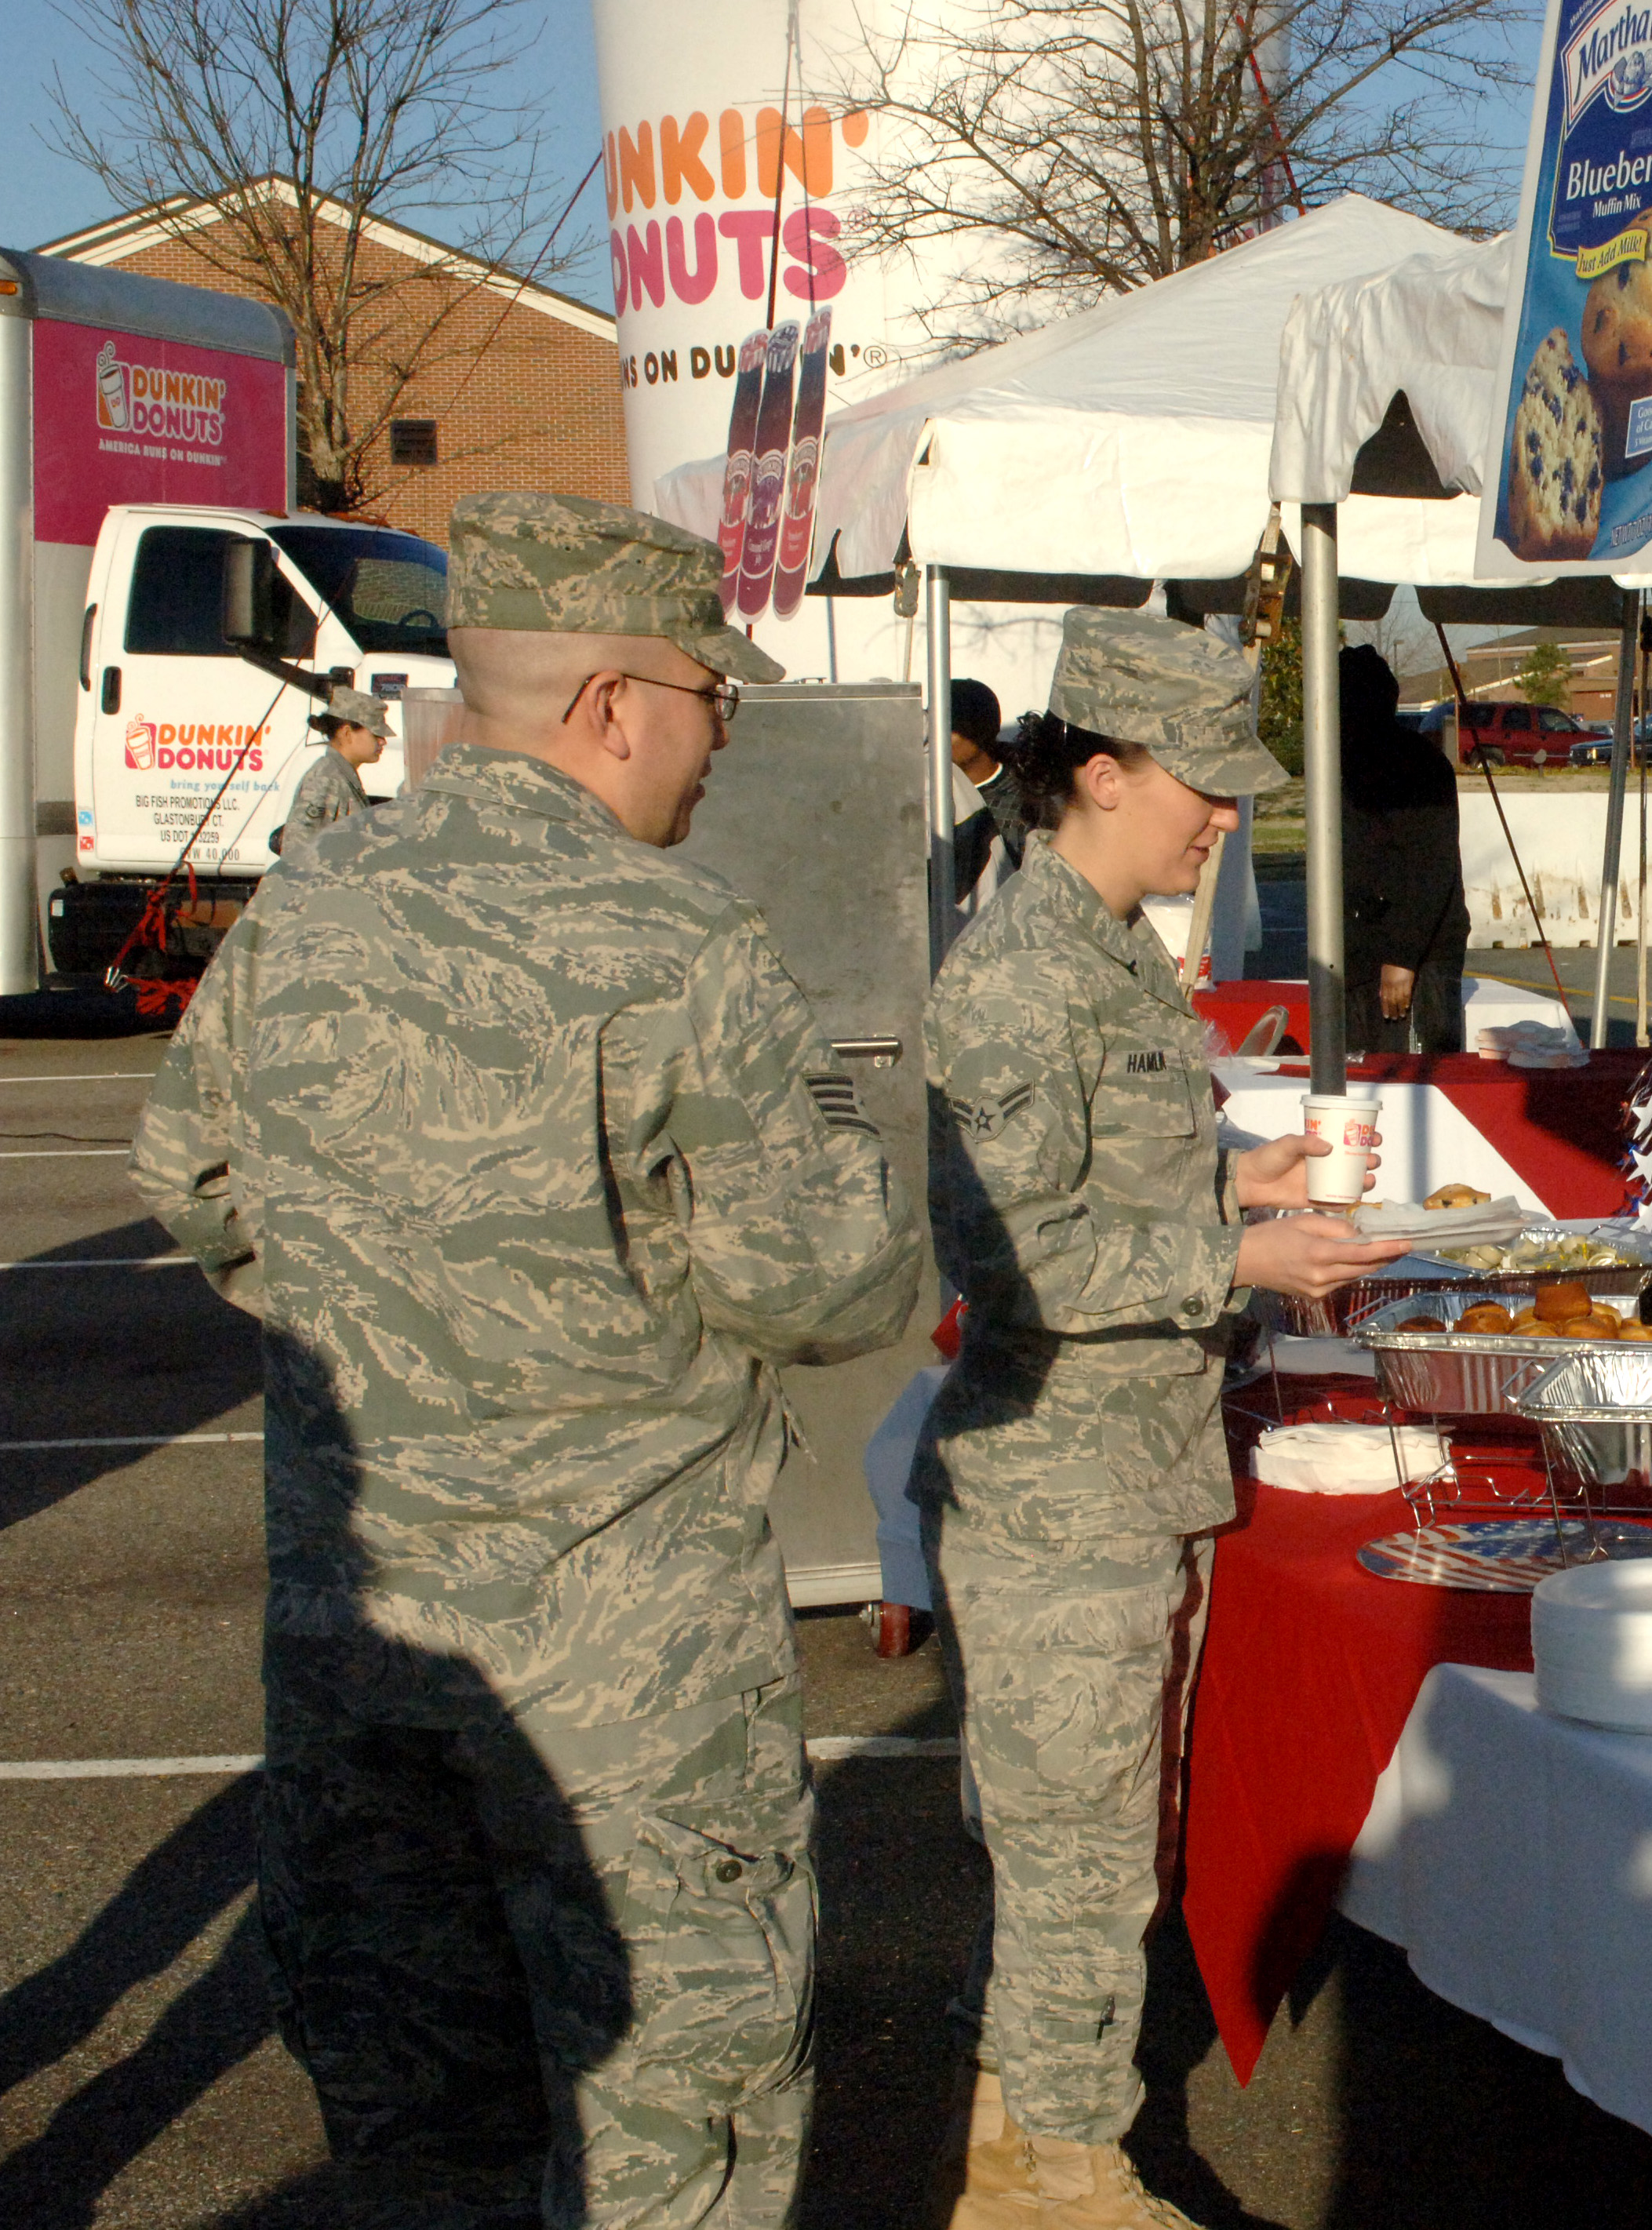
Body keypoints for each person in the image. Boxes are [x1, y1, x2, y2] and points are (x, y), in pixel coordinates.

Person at [129, 493, 922, 2228]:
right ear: (614, 702)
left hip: (367, 1659)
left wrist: (393, 1324)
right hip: (627, 1690)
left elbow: (192, 1180)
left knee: (423, 2140)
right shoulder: (680, 946)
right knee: (669, 2144)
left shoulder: (305, 910)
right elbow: (829, 1282)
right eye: (714, 695)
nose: (721, 736)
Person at [918, 609, 1413, 2230]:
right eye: (1206, 783)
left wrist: (1231, 1179)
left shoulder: (1108, 942)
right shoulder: (1022, 969)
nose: (1225, 817)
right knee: (1077, 1856)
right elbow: (1010, 1246)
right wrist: (1237, 1249)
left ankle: (1024, 2149)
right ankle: (1060, 2177)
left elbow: (1096, 1181)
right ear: (1107, 768)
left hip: (1120, 1469)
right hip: (1059, 1480)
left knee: (1079, 1843)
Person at [1338, 644, 1468, 1053]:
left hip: (1414, 956)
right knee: (1362, 1078)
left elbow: (1431, 866)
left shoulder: (1417, 764)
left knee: (1412, 1078)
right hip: (1358, 952)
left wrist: (1402, 958)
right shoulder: (1345, 762)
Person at [275, 683, 391, 855]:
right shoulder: (325, 778)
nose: (383, 742)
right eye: (376, 735)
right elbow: (297, 848)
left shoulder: (341, 776)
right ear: (347, 733)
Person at [948, 675, 1024, 909]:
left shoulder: (1026, 803)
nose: (934, 740)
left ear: (979, 733)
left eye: (948, 729)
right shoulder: (928, 794)